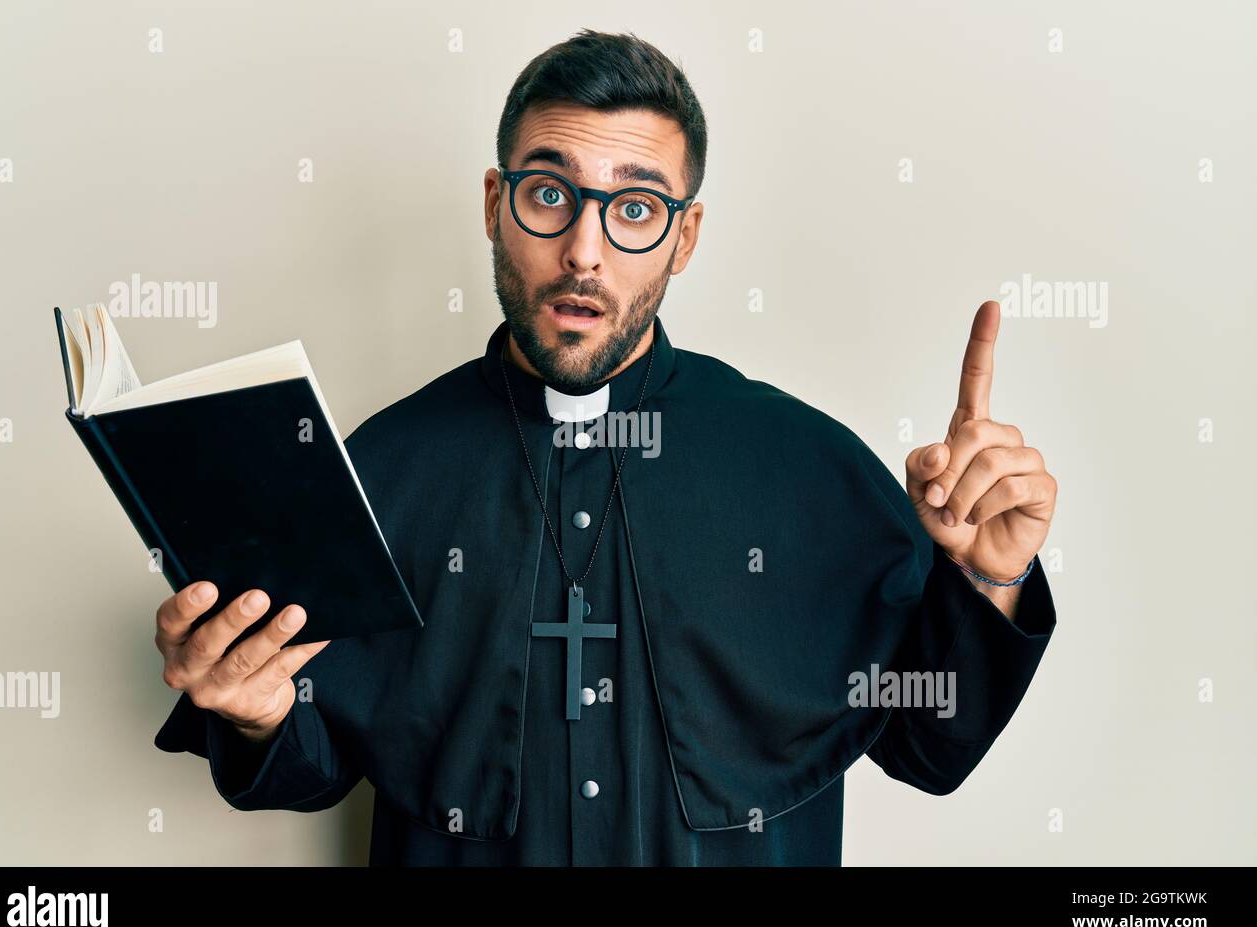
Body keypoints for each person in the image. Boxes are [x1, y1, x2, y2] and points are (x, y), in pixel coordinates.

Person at [154, 29, 1057, 865]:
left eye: (633, 207)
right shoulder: (382, 467)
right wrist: (258, 712)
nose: (584, 251)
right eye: (550, 195)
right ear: (494, 206)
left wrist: (990, 581)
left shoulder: (809, 466)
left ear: (685, 237)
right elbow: (314, 762)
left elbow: (929, 750)